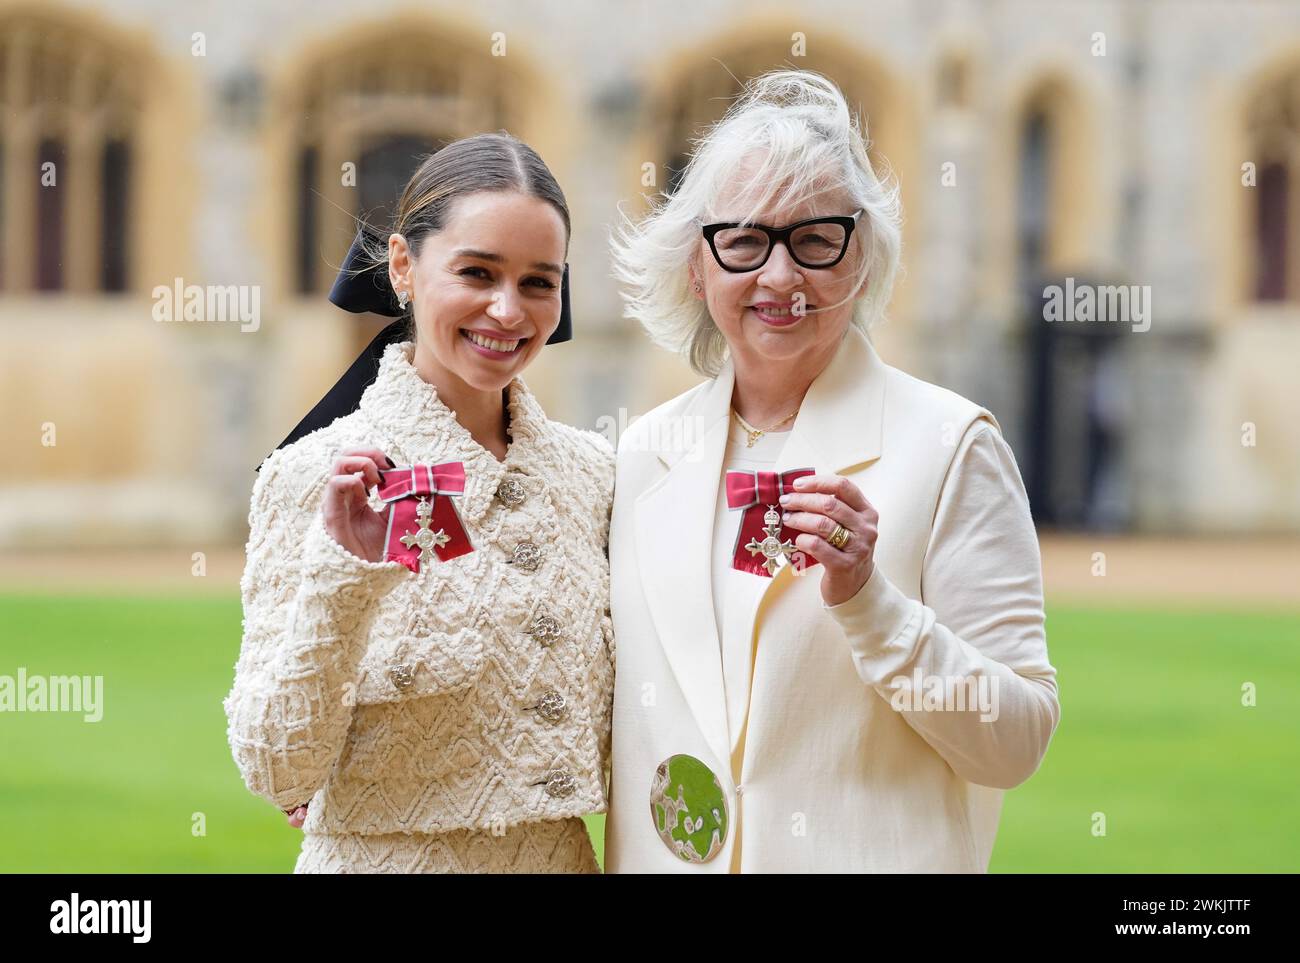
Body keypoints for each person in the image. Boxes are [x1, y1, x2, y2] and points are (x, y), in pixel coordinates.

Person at [605, 71, 1060, 872]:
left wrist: (869, 602)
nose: (781, 277)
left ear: (863, 258)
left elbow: (1014, 743)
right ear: (698, 266)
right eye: (745, 241)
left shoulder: (951, 445)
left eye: (816, 240)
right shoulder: (643, 452)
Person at [223, 132, 615, 873]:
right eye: (477, 272)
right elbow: (275, 769)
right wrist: (343, 577)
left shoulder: (595, 477)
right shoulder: (312, 477)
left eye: (538, 282)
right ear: (403, 266)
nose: (508, 310)